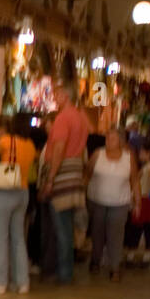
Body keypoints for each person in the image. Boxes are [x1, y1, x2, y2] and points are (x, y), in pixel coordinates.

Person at [0, 115, 38, 293]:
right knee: (18, 237)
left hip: (6, 191)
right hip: (24, 192)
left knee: (0, 236)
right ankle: (22, 281)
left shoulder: (6, 140)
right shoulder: (30, 145)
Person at [38, 82, 91, 284]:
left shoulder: (62, 118)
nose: (54, 98)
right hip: (75, 173)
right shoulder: (80, 118)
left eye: (57, 94)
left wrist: (51, 178)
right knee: (67, 226)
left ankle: (64, 272)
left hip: (62, 175)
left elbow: (59, 148)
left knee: (60, 227)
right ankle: (65, 270)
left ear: (65, 97)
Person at [85, 127, 139, 282]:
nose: (109, 141)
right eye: (107, 138)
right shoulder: (97, 154)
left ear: (121, 141)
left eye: (113, 139)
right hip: (97, 200)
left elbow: (134, 180)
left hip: (120, 202)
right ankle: (95, 259)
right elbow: (87, 174)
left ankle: (115, 266)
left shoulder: (129, 158)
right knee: (97, 233)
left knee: (116, 234)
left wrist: (137, 201)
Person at [125, 140, 150, 268]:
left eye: (142, 151)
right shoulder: (148, 165)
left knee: (140, 227)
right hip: (144, 199)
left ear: (149, 153)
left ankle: (139, 254)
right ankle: (143, 254)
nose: (140, 153)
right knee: (142, 227)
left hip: (145, 199)